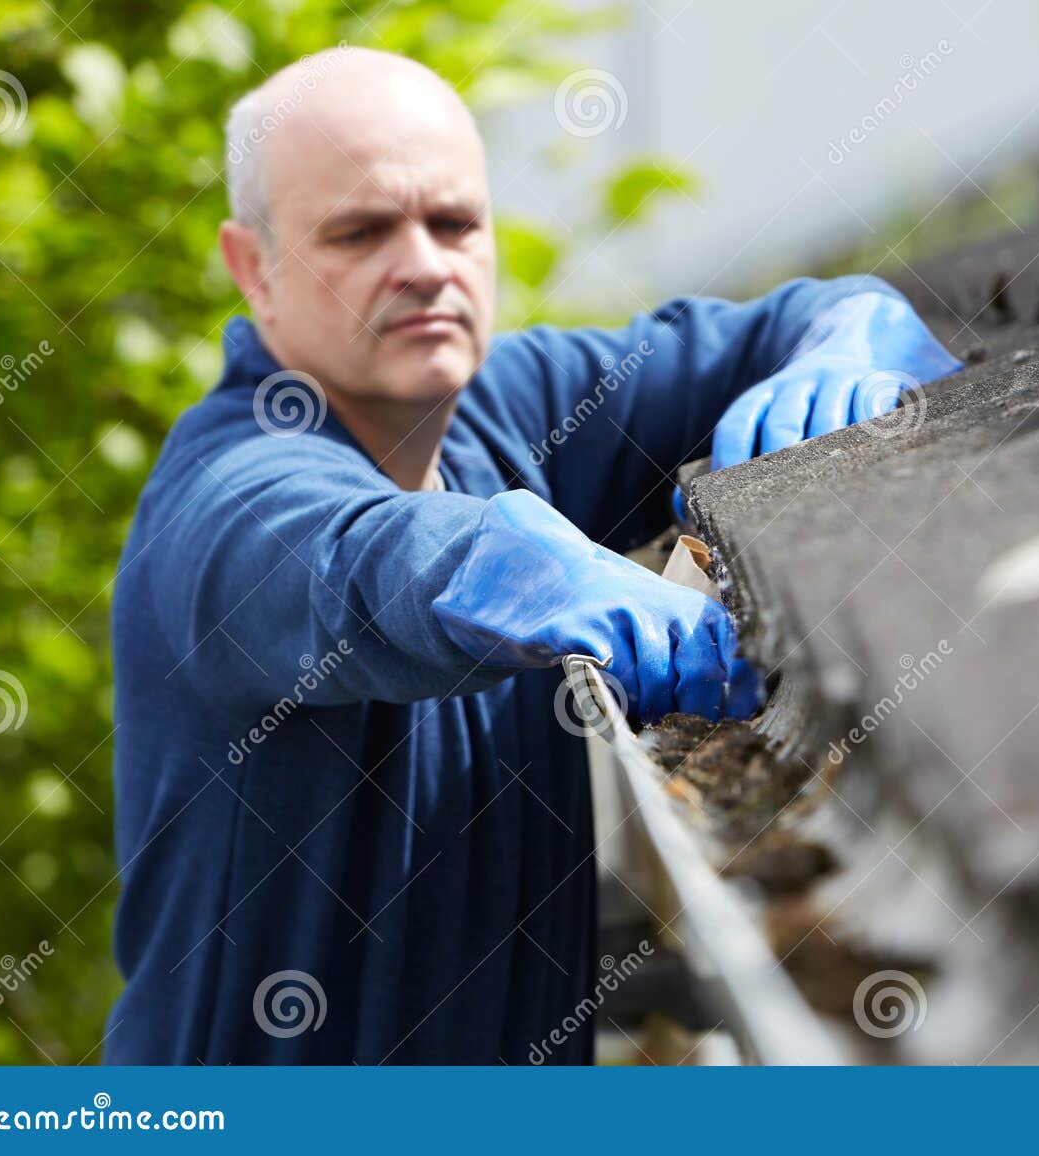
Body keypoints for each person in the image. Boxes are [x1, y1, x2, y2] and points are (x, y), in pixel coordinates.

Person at [105, 46, 959, 1064]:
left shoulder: (513, 408)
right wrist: (501, 559)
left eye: (455, 222)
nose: (423, 262)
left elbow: (794, 323)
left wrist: (853, 342)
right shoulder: (222, 506)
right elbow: (350, 558)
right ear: (254, 267)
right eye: (360, 231)